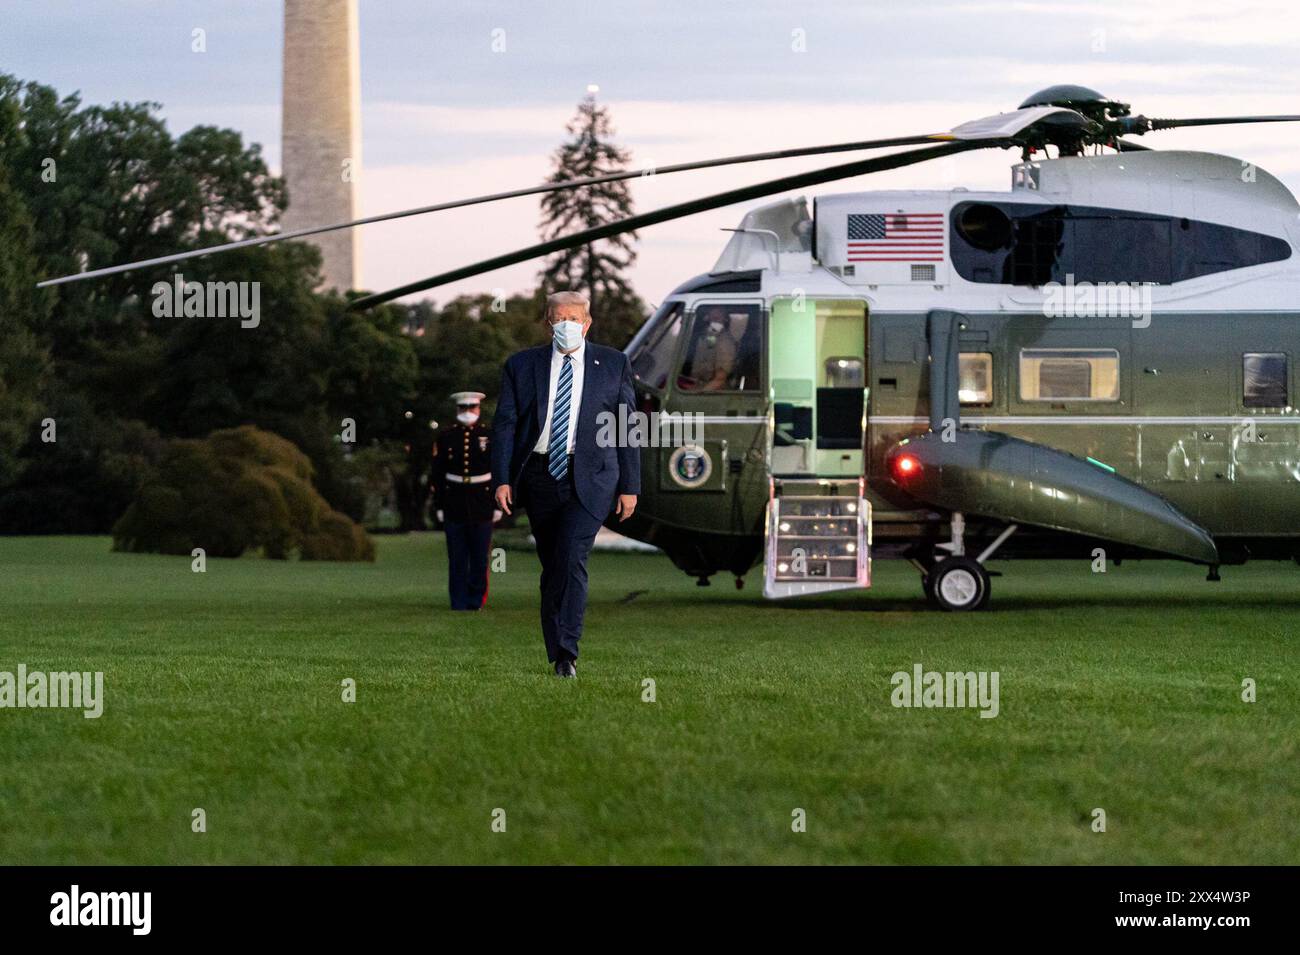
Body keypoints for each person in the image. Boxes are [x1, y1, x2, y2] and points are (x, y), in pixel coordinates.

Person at [492, 291, 640, 677]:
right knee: (553, 566)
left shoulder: (613, 364)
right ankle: (556, 645)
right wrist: (502, 479)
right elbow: (505, 425)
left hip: (591, 478)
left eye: (574, 318)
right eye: (559, 319)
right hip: (540, 476)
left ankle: (566, 655)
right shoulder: (522, 366)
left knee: (573, 558)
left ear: (588, 322)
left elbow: (627, 429)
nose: (567, 325)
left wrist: (630, 485)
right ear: (548, 322)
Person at [431, 391, 498, 610]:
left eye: (472, 408)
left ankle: (476, 599)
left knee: (479, 557)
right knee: (457, 557)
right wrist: (439, 504)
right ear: (457, 410)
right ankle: (458, 601)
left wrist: (497, 504)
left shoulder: (489, 435)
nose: (468, 412)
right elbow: (438, 473)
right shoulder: (446, 437)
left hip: (482, 500)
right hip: (454, 500)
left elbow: (498, 471)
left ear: (479, 409)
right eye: (463, 408)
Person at [680, 305, 738, 391]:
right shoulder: (707, 337)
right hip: (697, 385)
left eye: (719, 313)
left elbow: (720, 379)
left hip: (711, 392)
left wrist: (697, 395)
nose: (715, 314)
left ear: (725, 319)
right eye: (712, 311)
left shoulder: (725, 341)